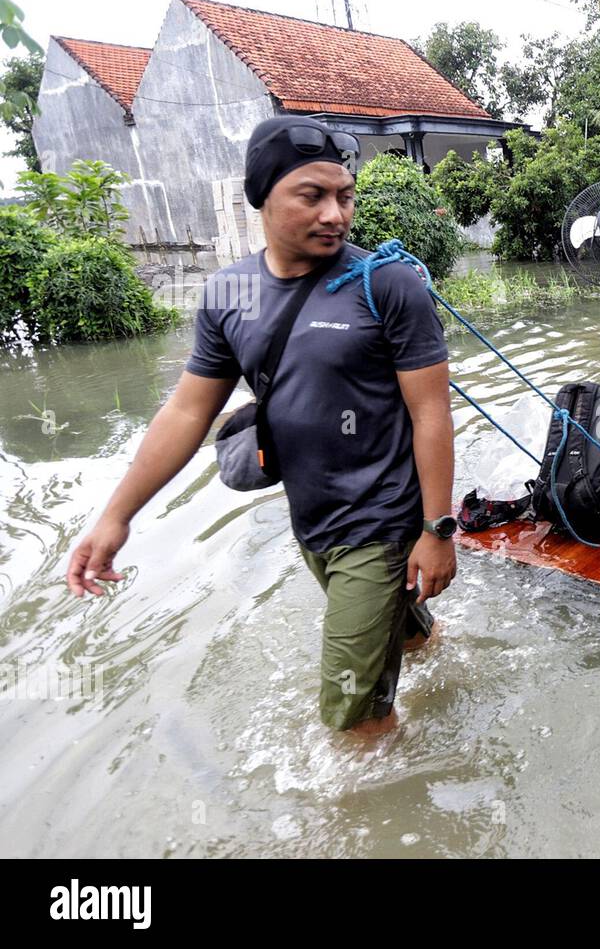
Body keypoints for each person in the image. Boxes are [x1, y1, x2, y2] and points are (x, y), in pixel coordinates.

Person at [65, 116, 458, 736]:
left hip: (382, 522)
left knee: (349, 717)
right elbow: (187, 411)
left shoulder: (385, 284)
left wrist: (437, 529)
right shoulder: (233, 293)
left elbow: (430, 412)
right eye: (313, 196)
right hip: (312, 518)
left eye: (344, 196)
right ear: (262, 196)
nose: (336, 214)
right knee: (397, 636)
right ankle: (441, 661)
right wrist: (117, 515)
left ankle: (376, 813)